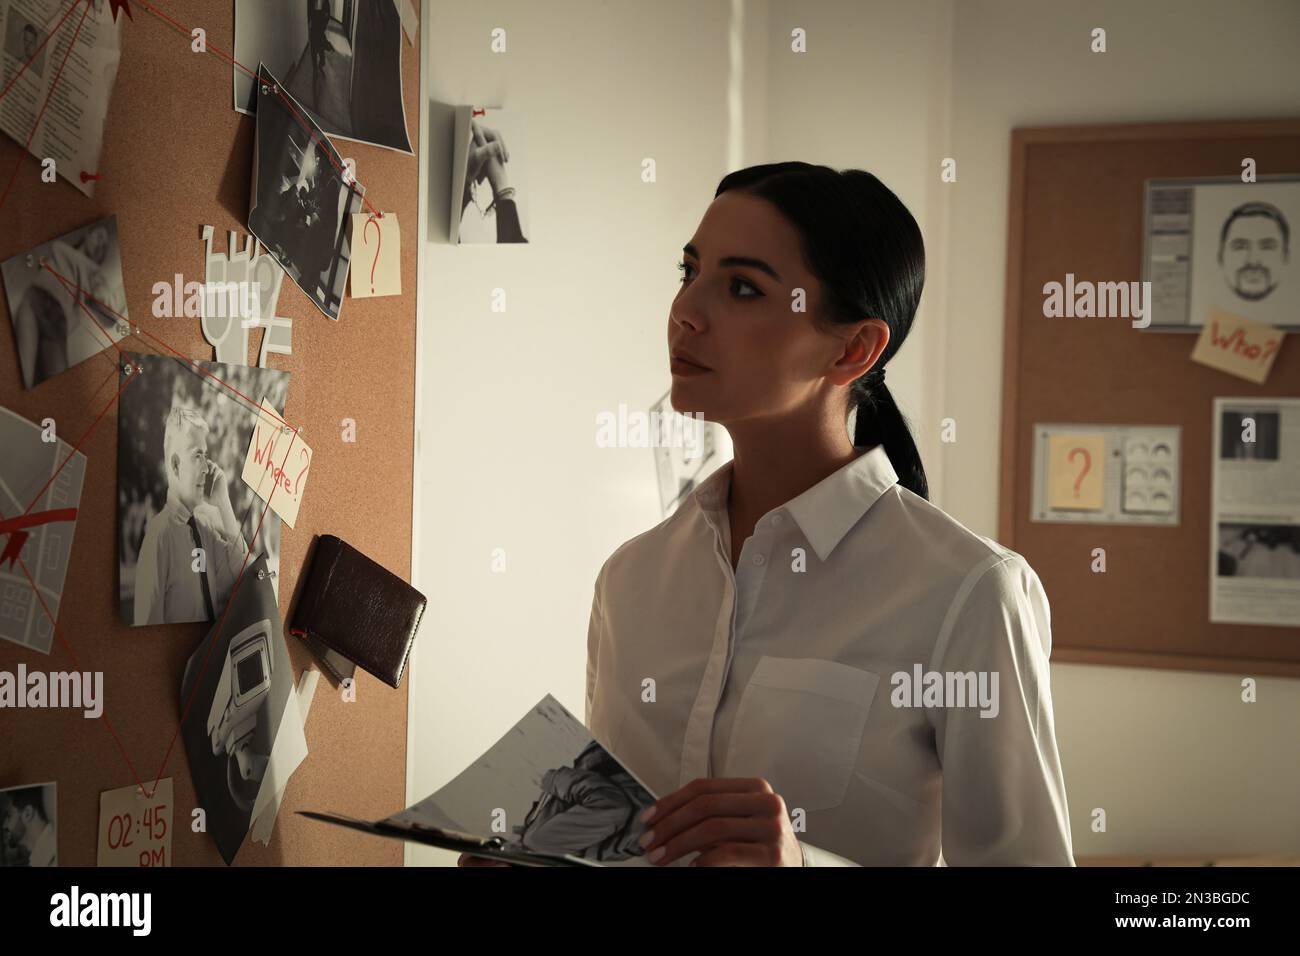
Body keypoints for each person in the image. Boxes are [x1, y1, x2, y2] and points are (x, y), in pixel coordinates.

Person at [583, 162, 1073, 867]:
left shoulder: (970, 595)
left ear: (853, 348)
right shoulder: (629, 580)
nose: (686, 310)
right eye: (688, 272)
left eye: (743, 287)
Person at [132, 407, 249, 626]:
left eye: (206, 456)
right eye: (197, 456)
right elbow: (145, 630)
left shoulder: (205, 527)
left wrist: (223, 503)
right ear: (176, 465)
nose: (207, 468)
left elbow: (243, 575)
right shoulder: (158, 537)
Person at [1, 787, 56, 867]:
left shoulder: (54, 856)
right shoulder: (40, 858)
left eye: (9, 816)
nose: (4, 826)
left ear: (27, 814)